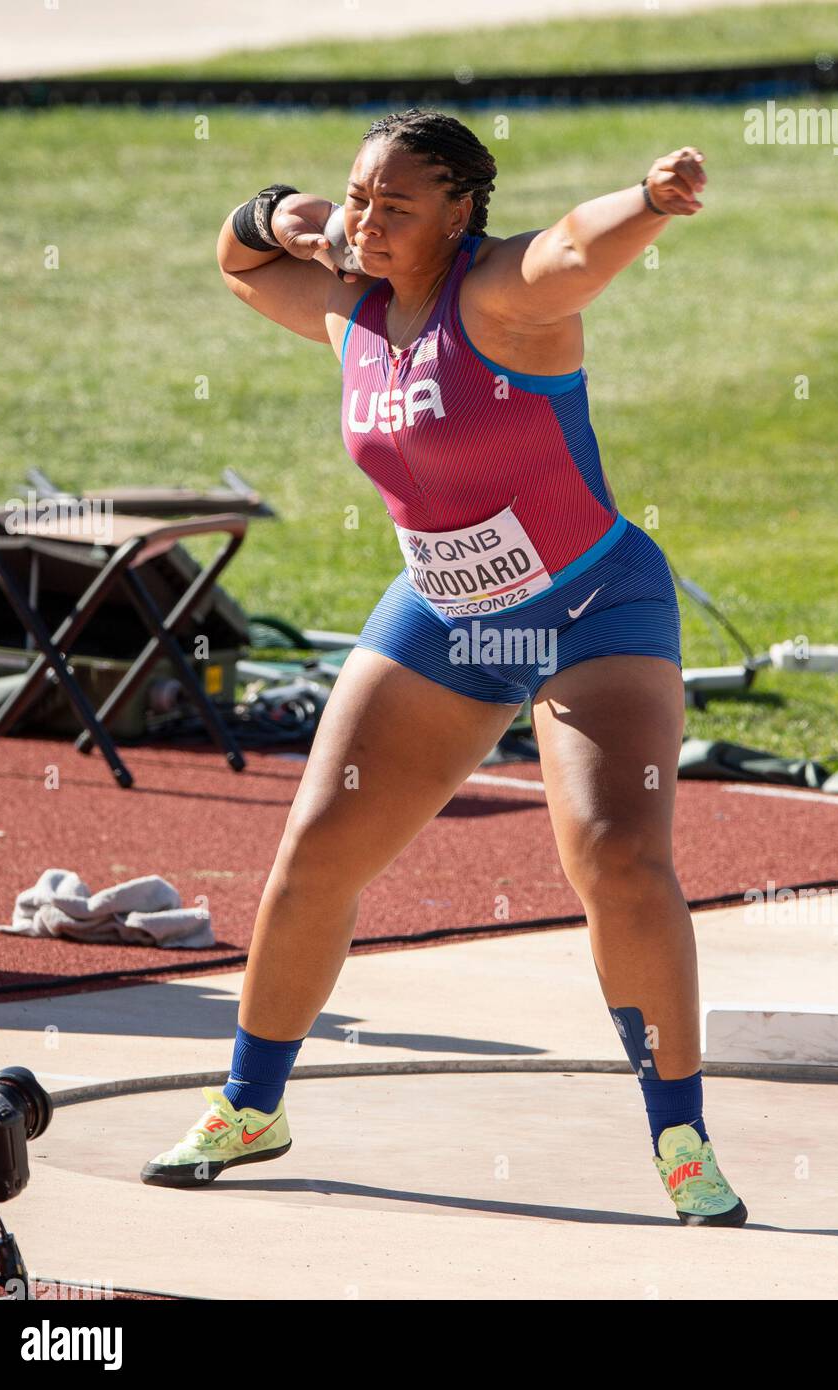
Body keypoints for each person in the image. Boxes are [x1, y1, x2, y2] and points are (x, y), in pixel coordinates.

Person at [141, 107, 746, 1226]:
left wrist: (649, 203)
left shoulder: (501, 297)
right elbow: (236, 265)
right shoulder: (349, 305)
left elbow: (570, 247)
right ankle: (250, 1105)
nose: (368, 221)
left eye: (396, 206)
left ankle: (678, 1136)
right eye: (360, 197)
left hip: (589, 606)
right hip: (445, 609)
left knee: (617, 858)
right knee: (316, 850)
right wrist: (285, 213)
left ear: (460, 213)